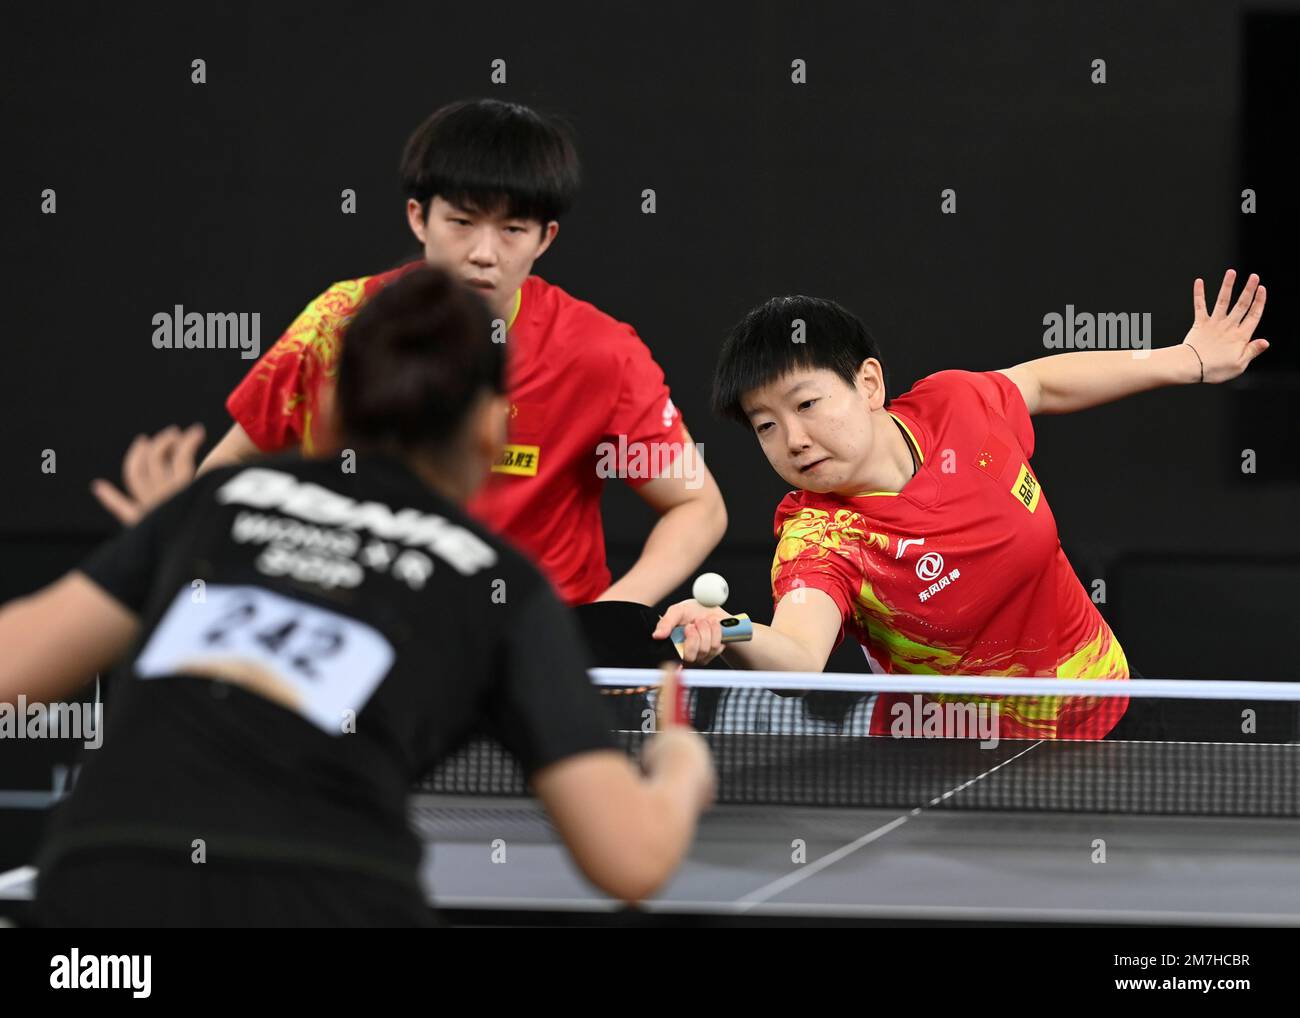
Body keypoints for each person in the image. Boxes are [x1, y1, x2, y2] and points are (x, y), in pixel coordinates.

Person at [1, 267, 715, 927]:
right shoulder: (501, 587)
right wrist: (679, 762)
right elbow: (631, 861)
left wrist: (168, 560)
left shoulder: (214, 505)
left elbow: (12, 671)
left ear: (330, 405)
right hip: (334, 892)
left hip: (110, 881)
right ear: (492, 430)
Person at [91, 98, 727, 608]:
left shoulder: (600, 353)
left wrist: (610, 616)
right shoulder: (337, 324)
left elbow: (696, 504)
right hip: (366, 642)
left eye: (512, 229)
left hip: (529, 657)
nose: (484, 253)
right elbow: (231, 464)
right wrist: (182, 549)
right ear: (419, 218)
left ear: (545, 238)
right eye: (462, 222)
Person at [654, 271, 1270, 740]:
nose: (793, 440)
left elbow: (1041, 381)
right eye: (765, 425)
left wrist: (1186, 360)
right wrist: (729, 628)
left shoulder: (955, 405)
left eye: (806, 404)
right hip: (944, 762)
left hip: (1104, 715)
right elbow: (797, 657)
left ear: (868, 383)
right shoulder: (822, 539)